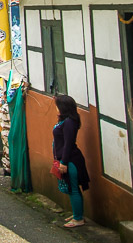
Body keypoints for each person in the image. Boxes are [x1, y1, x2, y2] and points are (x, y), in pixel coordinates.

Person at [53, 94, 90, 228]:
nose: (56, 108)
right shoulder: (67, 121)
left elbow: (68, 143)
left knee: (73, 188)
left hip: (71, 160)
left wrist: (63, 162)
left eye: (57, 106)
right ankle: (77, 214)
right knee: (71, 188)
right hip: (67, 159)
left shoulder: (69, 122)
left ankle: (78, 218)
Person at [0, 90, 12, 176]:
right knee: (8, 151)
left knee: (6, 151)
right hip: (8, 131)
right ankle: (8, 170)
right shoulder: (7, 107)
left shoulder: (2, 107)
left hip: (4, 131)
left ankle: (6, 169)